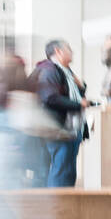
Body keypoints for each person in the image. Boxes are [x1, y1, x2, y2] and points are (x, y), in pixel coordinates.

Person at [31, 39, 90, 188]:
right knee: (62, 172)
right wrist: (78, 105)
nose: (72, 52)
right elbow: (50, 98)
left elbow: (74, 92)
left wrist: (81, 86)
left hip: (68, 129)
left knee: (66, 171)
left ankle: (62, 206)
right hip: (59, 129)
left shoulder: (65, 71)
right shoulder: (50, 70)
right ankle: (59, 208)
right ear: (58, 51)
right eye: (69, 48)